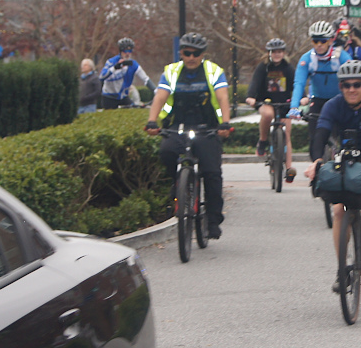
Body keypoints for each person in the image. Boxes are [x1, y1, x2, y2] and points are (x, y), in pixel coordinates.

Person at [303, 60, 361, 289]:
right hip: (348, 157)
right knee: (339, 211)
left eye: (357, 85)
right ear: (340, 87)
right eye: (346, 85)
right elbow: (320, 133)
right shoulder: (333, 105)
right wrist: (316, 160)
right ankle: (342, 269)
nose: (351, 89)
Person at [145, 32, 232, 239]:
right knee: (166, 152)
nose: (191, 57)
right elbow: (160, 97)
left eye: (196, 53)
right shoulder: (171, 72)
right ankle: (177, 187)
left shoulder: (213, 71)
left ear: (203, 54)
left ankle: (213, 220)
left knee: (212, 173)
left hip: (207, 128)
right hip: (178, 126)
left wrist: (225, 123)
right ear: (181, 53)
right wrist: (151, 121)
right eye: (187, 53)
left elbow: (222, 97)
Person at [289, 21, 350, 144]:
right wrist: (294, 107)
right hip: (318, 100)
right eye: (315, 41)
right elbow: (299, 83)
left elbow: (353, 79)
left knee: (346, 136)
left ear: (330, 41)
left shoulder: (342, 57)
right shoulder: (307, 59)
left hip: (340, 100)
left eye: (323, 41)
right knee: (314, 139)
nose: (319, 45)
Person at [245, 38, 298, 181]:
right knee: (268, 115)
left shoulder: (288, 68)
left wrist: (303, 97)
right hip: (266, 102)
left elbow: (296, 84)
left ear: (283, 53)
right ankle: (263, 141)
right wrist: (251, 97)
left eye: (279, 52)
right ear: (269, 53)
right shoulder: (263, 67)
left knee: (286, 133)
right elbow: (255, 83)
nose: (277, 54)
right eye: (274, 52)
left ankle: (289, 169)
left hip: (284, 103)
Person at [100, 37, 150, 109]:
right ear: (120, 51)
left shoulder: (133, 64)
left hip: (123, 96)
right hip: (109, 97)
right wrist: (115, 68)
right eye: (125, 50)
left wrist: (155, 90)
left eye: (130, 50)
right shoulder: (112, 62)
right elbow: (102, 76)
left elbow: (145, 78)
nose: (127, 53)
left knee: (133, 110)